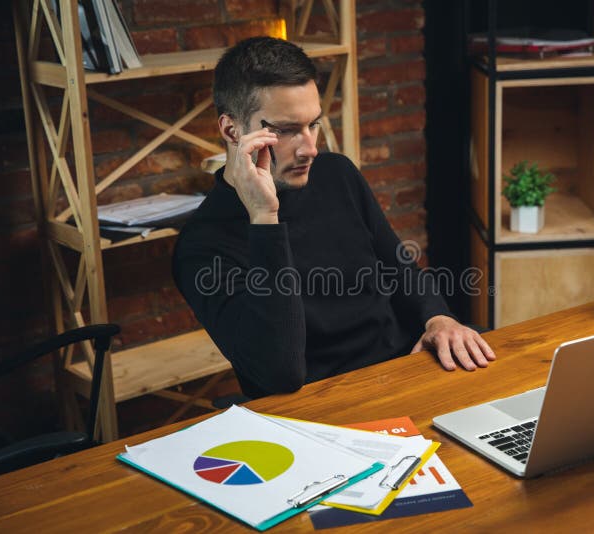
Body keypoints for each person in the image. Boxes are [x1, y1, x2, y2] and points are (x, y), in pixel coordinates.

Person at [173, 37, 495, 399]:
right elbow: (279, 374)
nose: (310, 147)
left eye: (312, 125)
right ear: (232, 130)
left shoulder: (336, 173)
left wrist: (439, 320)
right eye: (286, 130)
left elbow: (399, 268)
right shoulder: (201, 246)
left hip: (407, 365)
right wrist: (265, 217)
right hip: (322, 408)